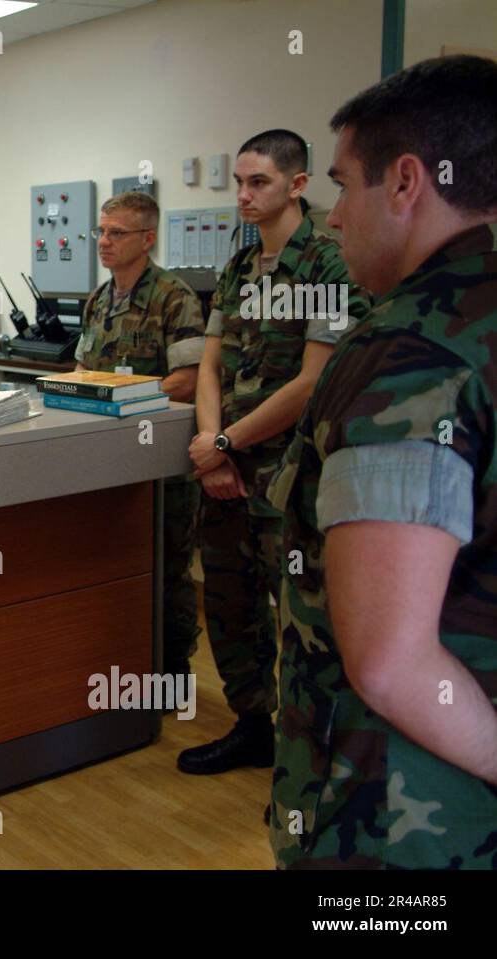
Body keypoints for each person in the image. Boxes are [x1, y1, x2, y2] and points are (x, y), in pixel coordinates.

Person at [267, 55, 497, 868]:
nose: (332, 219)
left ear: (405, 182)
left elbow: (392, 661)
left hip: (403, 820)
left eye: (341, 185)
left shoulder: (411, 355)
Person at [178, 130, 370, 775]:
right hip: (226, 469)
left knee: (300, 620)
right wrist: (214, 451)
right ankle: (253, 728)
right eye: (239, 182)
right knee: (230, 607)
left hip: (290, 476)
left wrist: (224, 442)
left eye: (258, 182)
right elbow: (210, 368)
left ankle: (306, 761)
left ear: (298, 184)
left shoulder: (328, 264)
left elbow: (312, 381)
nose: (243, 194)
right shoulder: (238, 267)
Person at [74, 191, 206, 678]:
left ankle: (173, 674)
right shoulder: (99, 299)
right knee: (115, 564)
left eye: (117, 233)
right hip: (108, 459)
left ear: (147, 239)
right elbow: (83, 369)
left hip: (159, 460)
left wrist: (120, 398)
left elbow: (188, 380)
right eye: (101, 232)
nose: (104, 242)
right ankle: (125, 662)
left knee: (167, 568)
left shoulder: (175, 298)